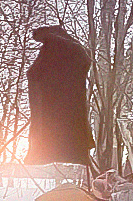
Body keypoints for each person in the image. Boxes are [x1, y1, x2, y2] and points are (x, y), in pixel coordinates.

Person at [24, 25, 95, 167]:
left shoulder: (53, 48)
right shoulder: (76, 50)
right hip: (71, 111)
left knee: (50, 140)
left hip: (51, 110)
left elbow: (34, 73)